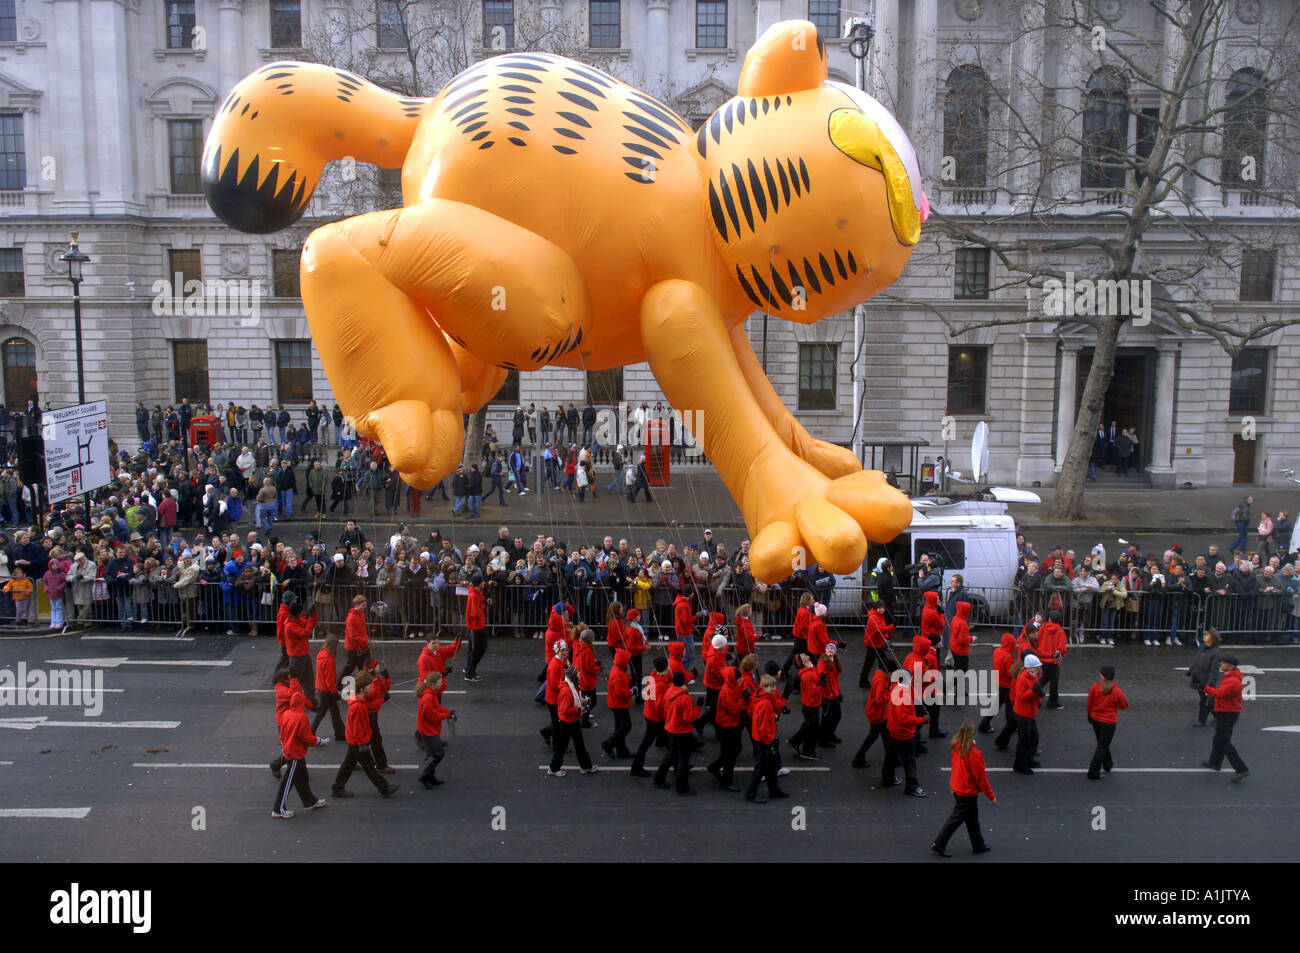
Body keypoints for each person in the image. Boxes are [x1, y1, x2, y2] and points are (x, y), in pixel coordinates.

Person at [331, 670, 400, 799]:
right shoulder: (359, 706)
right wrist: (363, 743)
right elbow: (358, 727)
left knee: (349, 764)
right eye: (369, 686)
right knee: (368, 766)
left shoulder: (357, 702)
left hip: (354, 740)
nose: (371, 687)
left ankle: (338, 787)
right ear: (362, 689)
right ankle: (383, 788)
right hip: (358, 741)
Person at [930, 720, 995, 856]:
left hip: (958, 786)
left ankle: (978, 844)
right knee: (958, 818)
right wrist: (991, 796)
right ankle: (939, 843)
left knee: (971, 817)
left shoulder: (956, 746)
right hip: (967, 791)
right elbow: (981, 778)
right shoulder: (975, 754)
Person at [272, 688, 330, 818]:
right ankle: (278, 809)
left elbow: (282, 733)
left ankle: (309, 801)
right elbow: (307, 738)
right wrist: (320, 741)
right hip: (296, 754)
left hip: (290, 751)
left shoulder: (287, 714)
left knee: (302, 778)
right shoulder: (301, 718)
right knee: (288, 782)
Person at [653, 671, 702, 794]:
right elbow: (688, 718)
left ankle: (659, 778)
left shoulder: (669, 692)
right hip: (682, 731)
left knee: (671, 755)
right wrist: (698, 708)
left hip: (671, 728)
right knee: (683, 758)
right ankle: (682, 787)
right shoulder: (685, 698)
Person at [1201, 655, 1249, 781]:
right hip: (1226, 711)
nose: (1221, 665)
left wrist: (1204, 688)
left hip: (1227, 713)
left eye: (1223, 664)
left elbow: (1220, 694)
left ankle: (1241, 769)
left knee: (1223, 742)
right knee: (1219, 739)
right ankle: (1215, 762)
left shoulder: (1233, 681)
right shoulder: (1231, 677)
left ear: (1230, 666)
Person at [548, 661, 598, 778]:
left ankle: (585, 766)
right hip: (568, 721)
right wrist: (579, 709)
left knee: (575, 744)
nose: (579, 675)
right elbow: (566, 709)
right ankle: (554, 768)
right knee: (565, 746)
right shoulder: (567, 690)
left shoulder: (571, 687)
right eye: (578, 674)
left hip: (571, 720)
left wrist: (582, 703)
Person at [882, 668, 927, 797]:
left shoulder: (895, 688)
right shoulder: (904, 694)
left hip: (894, 729)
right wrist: (922, 720)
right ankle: (912, 786)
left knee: (891, 756)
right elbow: (904, 718)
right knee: (909, 760)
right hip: (904, 733)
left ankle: (888, 777)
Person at [744, 674, 789, 802]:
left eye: (773, 686)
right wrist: (769, 744)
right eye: (769, 686)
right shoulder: (765, 703)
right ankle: (751, 793)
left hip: (762, 739)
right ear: (763, 687)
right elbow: (764, 726)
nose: (772, 689)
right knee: (761, 769)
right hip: (765, 741)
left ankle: (774, 789)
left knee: (770, 767)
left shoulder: (759, 698)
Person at [630, 656, 671, 777]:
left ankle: (676, 761)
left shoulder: (654, 677)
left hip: (650, 714)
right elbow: (659, 705)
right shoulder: (660, 685)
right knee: (647, 742)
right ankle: (636, 767)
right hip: (656, 717)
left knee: (662, 739)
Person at [1085, 664, 1128, 780]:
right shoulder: (1116, 691)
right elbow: (1124, 705)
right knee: (1103, 745)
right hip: (1109, 722)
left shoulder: (1094, 687)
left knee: (1102, 742)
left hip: (1095, 719)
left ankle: (1107, 763)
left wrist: (1089, 714)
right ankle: (1094, 771)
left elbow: (1090, 703)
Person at [707, 662, 745, 791]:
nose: (741, 679)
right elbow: (734, 709)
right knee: (730, 753)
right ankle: (726, 781)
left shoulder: (730, 687)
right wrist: (742, 699)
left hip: (729, 724)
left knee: (732, 750)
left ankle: (716, 766)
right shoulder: (728, 692)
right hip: (727, 726)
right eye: (739, 677)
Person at [415, 672, 454, 788]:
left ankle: (429, 777)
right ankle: (425, 776)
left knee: (432, 754)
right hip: (428, 731)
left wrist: (448, 712)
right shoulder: (429, 697)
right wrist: (447, 715)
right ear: (432, 684)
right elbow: (433, 717)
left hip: (428, 729)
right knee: (438, 754)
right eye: (439, 683)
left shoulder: (430, 694)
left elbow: (436, 708)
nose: (441, 684)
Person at [851, 667, 891, 769]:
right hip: (877, 713)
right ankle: (859, 757)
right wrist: (891, 695)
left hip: (878, 712)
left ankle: (891, 756)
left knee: (884, 734)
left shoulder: (880, 678)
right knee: (873, 736)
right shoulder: (882, 682)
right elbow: (879, 698)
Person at [1012, 655, 1045, 775]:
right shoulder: (1023, 678)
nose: (1038, 670)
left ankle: (1028, 759)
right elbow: (1022, 696)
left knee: (1033, 738)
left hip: (1029, 713)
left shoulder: (1032, 676)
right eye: (1036, 668)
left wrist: (1038, 697)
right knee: (1024, 740)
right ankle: (1020, 764)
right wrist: (1034, 692)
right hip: (1023, 714)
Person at [310, 633, 346, 741]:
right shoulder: (329, 660)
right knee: (328, 713)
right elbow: (329, 680)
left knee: (331, 712)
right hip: (327, 691)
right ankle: (339, 733)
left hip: (321, 688)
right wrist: (335, 692)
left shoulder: (321, 654)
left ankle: (340, 733)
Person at [601, 648, 634, 759]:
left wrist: (628, 681)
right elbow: (621, 692)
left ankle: (622, 750)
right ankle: (609, 744)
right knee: (626, 726)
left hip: (615, 703)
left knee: (620, 727)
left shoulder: (617, 670)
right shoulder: (618, 674)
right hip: (619, 704)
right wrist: (631, 692)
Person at [985, 633, 1018, 740]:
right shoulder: (1007, 657)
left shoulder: (998, 651)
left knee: (1000, 704)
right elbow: (1010, 673)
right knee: (1008, 706)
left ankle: (986, 723)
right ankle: (1010, 725)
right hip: (1006, 684)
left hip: (999, 681)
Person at [1189, 628, 1223, 727]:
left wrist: (1210, 684)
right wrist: (1191, 670)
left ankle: (1201, 720)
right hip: (1199, 678)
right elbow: (1197, 659)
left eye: (1207, 635)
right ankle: (1219, 717)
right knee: (1208, 701)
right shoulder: (1203, 647)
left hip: (1206, 681)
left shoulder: (1215, 653)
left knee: (1204, 701)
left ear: (1212, 639)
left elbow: (1214, 671)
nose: (1205, 636)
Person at [1036, 610, 1068, 709]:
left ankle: (1033, 690)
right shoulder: (1060, 632)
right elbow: (1062, 648)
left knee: (1045, 678)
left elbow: (1038, 640)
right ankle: (1052, 701)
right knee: (1053, 681)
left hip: (1042, 657)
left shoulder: (1043, 628)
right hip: (1053, 660)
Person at [860, 604, 895, 688]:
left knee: (880, 662)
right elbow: (881, 629)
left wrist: (886, 637)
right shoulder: (874, 617)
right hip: (873, 644)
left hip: (877, 643)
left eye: (883, 608)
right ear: (876, 608)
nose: (882, 610)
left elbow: (881, 629)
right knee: (872, 663)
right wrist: (892, 627)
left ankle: (881, 680)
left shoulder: (878, 616)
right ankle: (866, 681)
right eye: (880, 608)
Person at [462, 573, 488, 682]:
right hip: (476, 626)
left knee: (476, 649)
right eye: (482, 581)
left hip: (476, 626)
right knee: (478, 649)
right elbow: (474, 613)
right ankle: (470, 673)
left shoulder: (475, 593)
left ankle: (469, 668)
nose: (484, 583)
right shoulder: (474, 596)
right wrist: (483, 605)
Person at [341, 594, 370, 679]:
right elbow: (353, 636)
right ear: (357, 605)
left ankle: (364, 684)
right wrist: (366, 640)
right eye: (363, 605)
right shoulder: (351, 618)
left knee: (365, 666)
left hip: (363, 646)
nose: (365, 607)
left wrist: (365, 640)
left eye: (365, 605)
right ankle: (339, 685)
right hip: (354, 648)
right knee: (350, 668)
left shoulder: (361, 615)